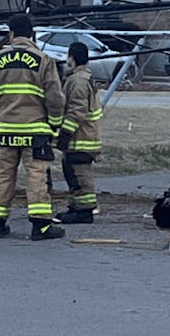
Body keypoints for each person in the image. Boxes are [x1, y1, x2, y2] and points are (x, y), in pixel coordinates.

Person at [0, 14, 66, 241]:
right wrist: (54, 125)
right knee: (36, 176)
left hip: (5, 130)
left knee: (2, 174)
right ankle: (40, 226)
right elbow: (55, 98)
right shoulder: (44, 60)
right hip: (35, 129)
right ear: (32, 34)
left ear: (11, 34)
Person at [56, 42, 103, 224]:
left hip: (81, 137)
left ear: (72, 57)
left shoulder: (78, 81)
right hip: (83, 135)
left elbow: (77, 109)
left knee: (80, 173)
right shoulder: (79, 77)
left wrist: (65, 133)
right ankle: (76, 206)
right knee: (72, 173)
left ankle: (84, 211)